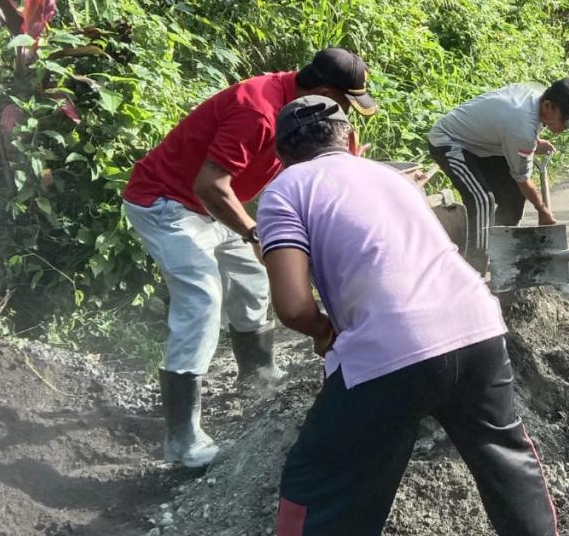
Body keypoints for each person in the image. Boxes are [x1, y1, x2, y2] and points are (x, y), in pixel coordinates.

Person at [258, 96, 566, 536]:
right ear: (351, 141)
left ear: (282, 155)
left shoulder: (284, 191)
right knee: (502, 447)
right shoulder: (391, 178)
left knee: (318, 482)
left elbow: (293, 306)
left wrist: (325, 332)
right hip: (475, 326)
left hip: (387, 353)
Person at [123, 48, 378, 468]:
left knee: (252, 281)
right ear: (324, 90)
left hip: (212, 207)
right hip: (167, 202)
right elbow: (210, 185)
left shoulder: (297, 103)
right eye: (344, 102)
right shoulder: (257, 112)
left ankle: (257, 375)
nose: (344, 113)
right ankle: (182, 439)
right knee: (202, 300)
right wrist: (255, 233)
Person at [427, 79, 569, 272]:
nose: (566, 128)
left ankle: (500, 251)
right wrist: (542, 210)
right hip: (449, 142)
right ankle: (474, 269)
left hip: (480, 144)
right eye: (565, 121)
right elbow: (523, 179)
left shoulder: (535, 97)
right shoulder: (521, 130)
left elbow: (509, 124)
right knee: (482, 199)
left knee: (513, 193)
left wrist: (535, 142)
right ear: (547, 105)